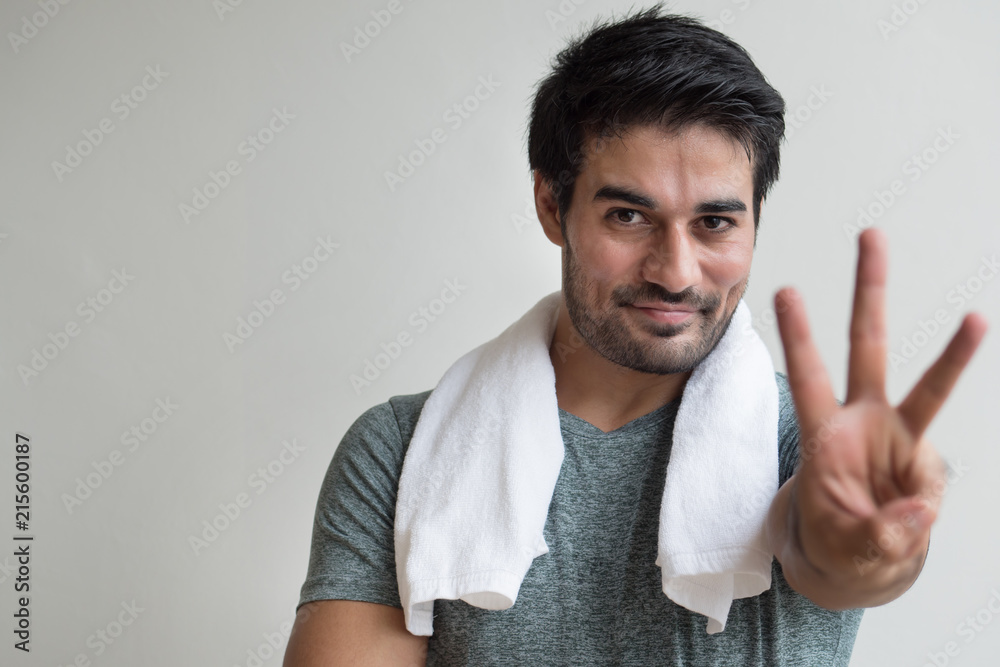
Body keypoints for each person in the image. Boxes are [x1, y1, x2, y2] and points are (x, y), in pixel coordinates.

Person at [282, 5, 988, 666]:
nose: (675, 273)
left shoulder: (804, 444)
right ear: (551, 205)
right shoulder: (398, 450)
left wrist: (866, 538)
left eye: (715, 222)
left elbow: (836, 555)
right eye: (628, 216)